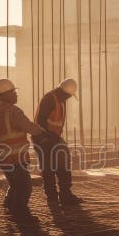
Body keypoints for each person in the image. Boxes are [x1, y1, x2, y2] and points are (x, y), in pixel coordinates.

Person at [0, 79, 49, 217]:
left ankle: (9, 206)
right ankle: (19, 213)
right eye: (13, 92)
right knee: (24, 186)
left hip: (2, 158)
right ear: (5, 95)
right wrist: (42, 132)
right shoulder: (13, 111)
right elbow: (28, 126)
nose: (16, 95)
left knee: (15, 185)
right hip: (15, 158)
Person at [32, 78, 83, 206]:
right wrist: (47, 138)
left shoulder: (60, 100)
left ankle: (65, 195)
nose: (69, 98)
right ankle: (52, 198)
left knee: (63, 165)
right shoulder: (49, 99)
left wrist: (55, 138)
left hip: (53, 138)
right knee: (48, 169)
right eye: (69, 96)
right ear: (65, 93)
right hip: (43, 139)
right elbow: (40, 121)